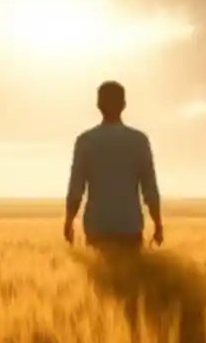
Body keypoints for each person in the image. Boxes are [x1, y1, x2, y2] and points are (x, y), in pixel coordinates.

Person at [64, 81, 163, 251]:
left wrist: (68, 221)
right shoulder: (139, 141)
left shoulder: (86, 141)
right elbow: (150, 188)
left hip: (97, 226)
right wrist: (158, 224)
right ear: (124, 105)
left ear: (98, 105)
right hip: (129, 225)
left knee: (101, 276)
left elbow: (76, 189)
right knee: (129, 277)